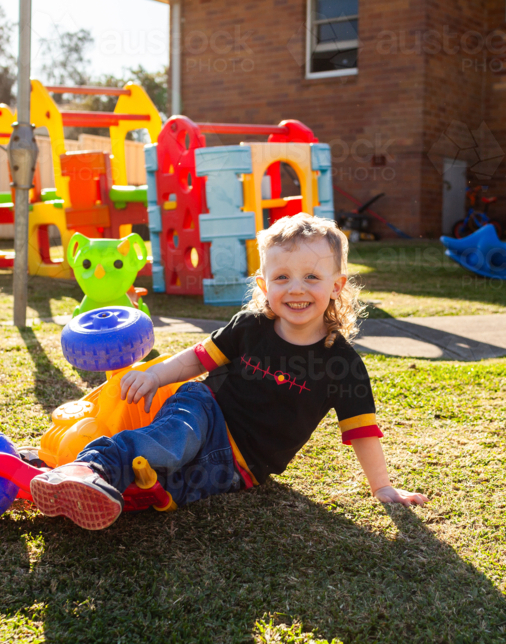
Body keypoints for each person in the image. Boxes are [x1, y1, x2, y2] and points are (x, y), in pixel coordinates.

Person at [30, 213, 428, 530]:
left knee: (171, 487)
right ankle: (90, 467)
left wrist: (382, 487)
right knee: (173, 442)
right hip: (205, 410)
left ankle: (92, 490)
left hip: (243, 467)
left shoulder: (343, 366)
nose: (296, 289)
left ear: (337, 285)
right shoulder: (251, 326)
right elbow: (196, 359)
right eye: (282, 277)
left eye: (312, 277)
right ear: (263, 283)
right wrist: (154, 374)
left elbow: (360, 431)